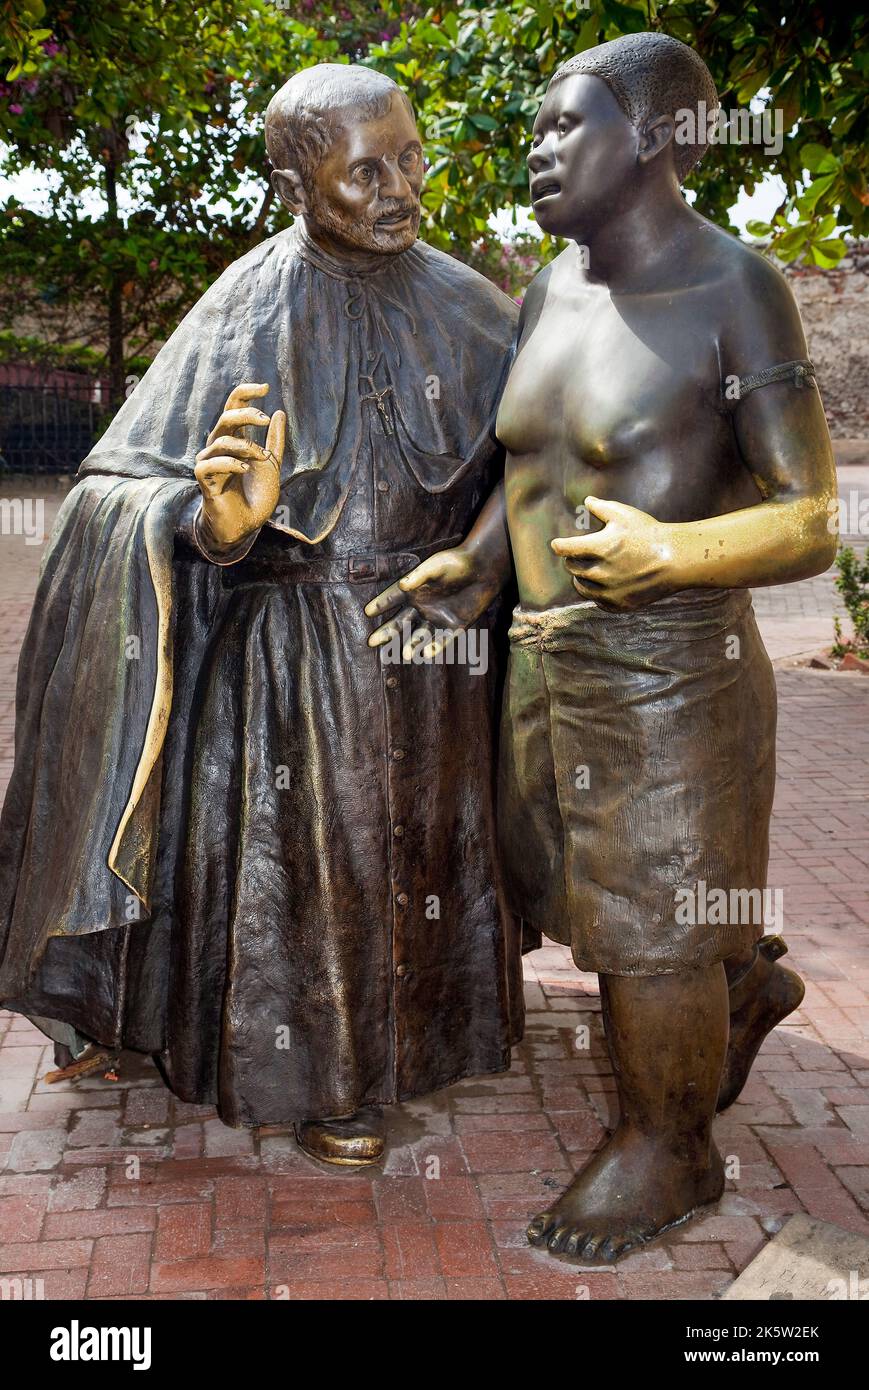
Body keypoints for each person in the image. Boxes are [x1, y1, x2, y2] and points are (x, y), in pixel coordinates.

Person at [0, 64, 524, 1165]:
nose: (399, 190)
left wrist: (485, 562)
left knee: (428, 854)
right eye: (361, 173)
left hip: (437, 650)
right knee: (315, 866)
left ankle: (434, 1036)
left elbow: (547, 467)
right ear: (293, 181)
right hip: (296, 663)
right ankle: (327, 1080)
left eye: (411, 158)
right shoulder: (241, 307)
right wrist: (212, 524)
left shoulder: (476, 305)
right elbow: (109, 496)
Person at [375, 31, 836, 1257]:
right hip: (545, 654)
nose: (535, 150)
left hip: (671, 671)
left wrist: (673, 554)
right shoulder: (551, 286)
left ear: (654, 138)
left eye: (560, 124)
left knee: (644, 924)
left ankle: (669, 1147)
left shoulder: (736, 288)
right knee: (568, 888)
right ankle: (735, 995)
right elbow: (532, 460)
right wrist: (475, 565)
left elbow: (808, 519)